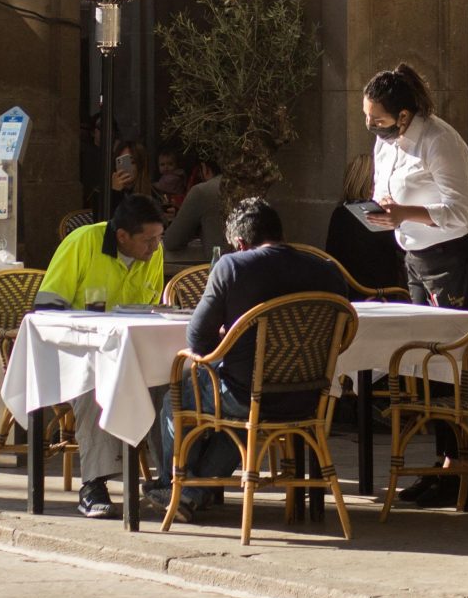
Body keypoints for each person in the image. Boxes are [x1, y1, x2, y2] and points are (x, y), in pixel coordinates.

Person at [148, 198, 352, 519]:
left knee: (176, 397)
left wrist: (228, 334)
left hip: (246, 394)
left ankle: (174, 486)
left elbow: (197, 343)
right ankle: (191, 493)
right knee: (242, 427)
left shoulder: (233, 266)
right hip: (309, 396)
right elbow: (338, 336)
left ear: (240, 243)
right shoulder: (327, 271)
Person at [362, 63, 468, 506]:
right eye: (367, 118)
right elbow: (389, 193)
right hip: (415, 254)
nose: (371, 126)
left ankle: (462, 471)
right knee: (426, 364)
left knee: (456, 362)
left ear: (403, 115)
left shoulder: (440, 140)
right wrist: (384, 210)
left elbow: (462, 211)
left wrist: (404, 213)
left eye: (378, 119)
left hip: (455, 252)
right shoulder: (387, 145)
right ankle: (442, 463)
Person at [34, 194, 168, 518]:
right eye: (147, 241)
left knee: (171, 381)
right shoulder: (82, 242)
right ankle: (93, 484)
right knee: (95, 381)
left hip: (132, 351)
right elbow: (48, 308)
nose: (154, 248)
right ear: (122, 236)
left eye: (158, 238)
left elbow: (154, 308)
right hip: (78, 349)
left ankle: (172, 481)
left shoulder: (155, 251)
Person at [324, 153, 404, 290]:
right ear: (373, 184)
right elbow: (405, 247)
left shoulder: (340, 213)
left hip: (347, 293)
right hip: (382, 295)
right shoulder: (376, 215)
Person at [161, 169, 226, 267]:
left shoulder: (204, 191)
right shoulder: (254, 184)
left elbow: (172, 241)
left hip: (221, 273)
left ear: (205, 169)